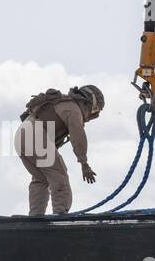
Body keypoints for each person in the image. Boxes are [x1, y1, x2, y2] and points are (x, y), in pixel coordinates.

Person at [13, 85, 104, 216]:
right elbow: (78, 136)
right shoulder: (74, 109)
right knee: (59, 177)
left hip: (21, 137)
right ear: (91, 104)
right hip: (35, 135)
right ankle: (60, 216)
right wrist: (84, 163)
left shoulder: (63, 103)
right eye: (95, 111)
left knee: (42, 178)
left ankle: (35, 216)